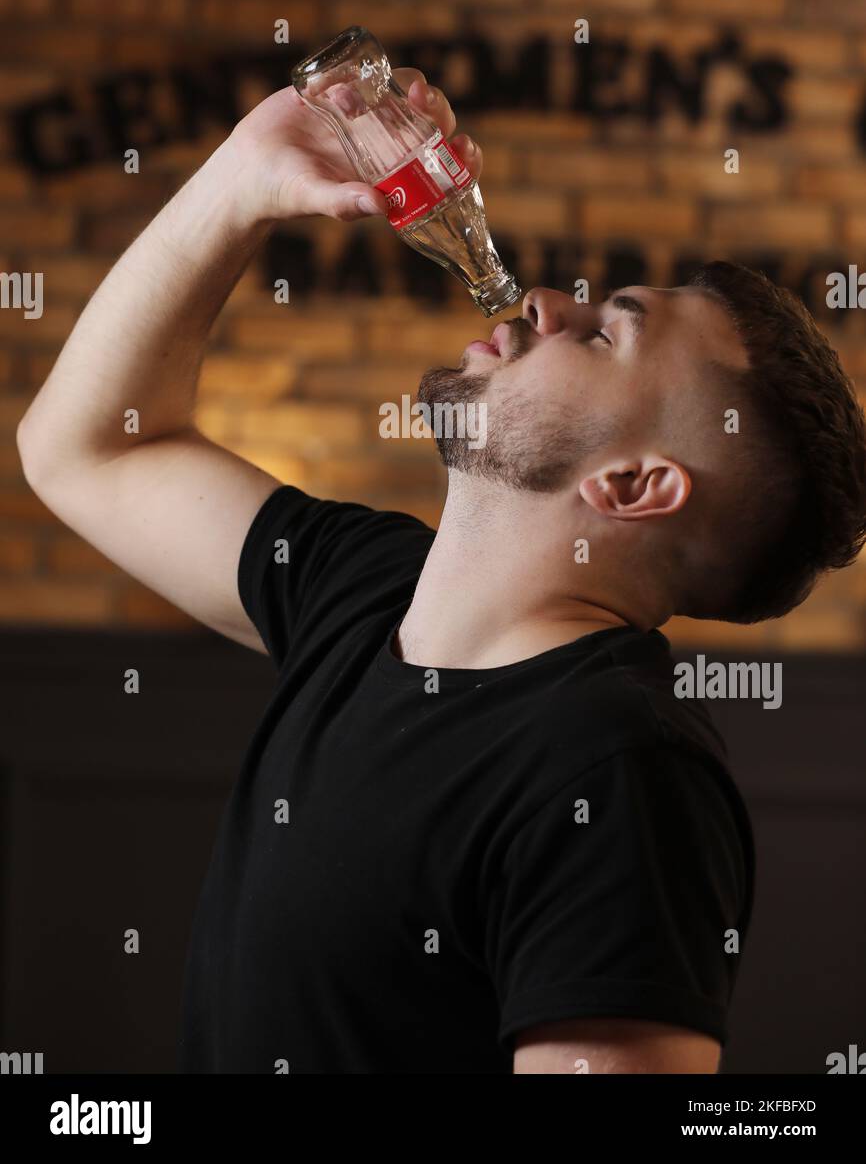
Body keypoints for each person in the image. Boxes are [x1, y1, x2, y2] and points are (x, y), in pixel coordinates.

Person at [17, 68, 866, 1074]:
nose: (545, 302)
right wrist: (241, 178)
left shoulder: (621, 773)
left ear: (634, 484)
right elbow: (88, 448)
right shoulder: (361, 584)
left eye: (600, 334)